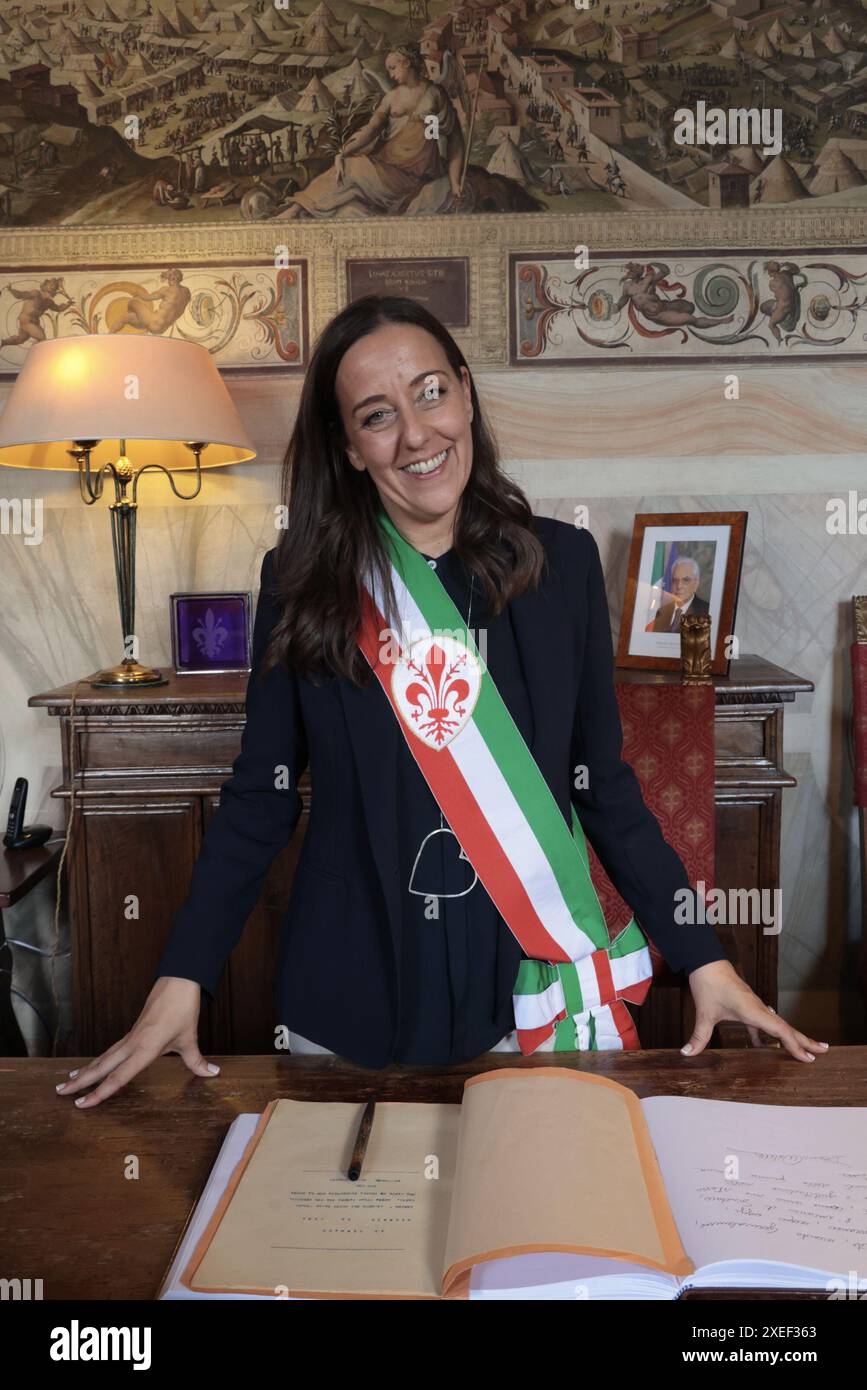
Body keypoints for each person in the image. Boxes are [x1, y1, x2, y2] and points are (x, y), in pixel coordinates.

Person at [56, 295, 830, 1108]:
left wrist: (703, 958)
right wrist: (183, 977)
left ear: (465, 394)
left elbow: (604, 787)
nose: (416, 435)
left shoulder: (558, 568)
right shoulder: (301, 583)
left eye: (431, 393)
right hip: (348, 995)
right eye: (377, 415)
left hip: (524, 987)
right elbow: (260, 800)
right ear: (348, 448)